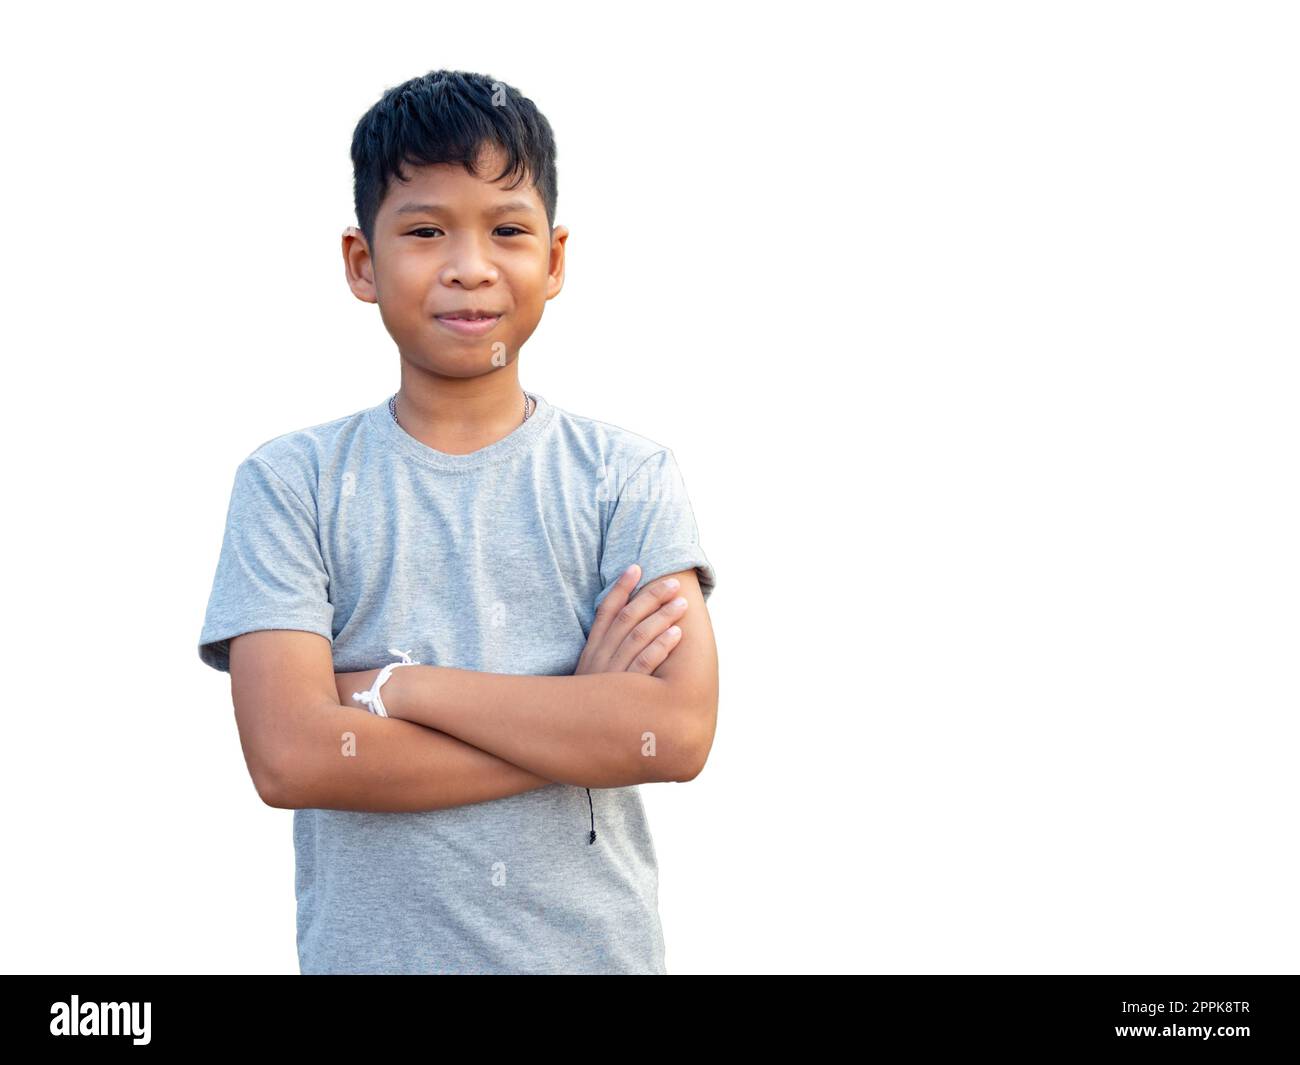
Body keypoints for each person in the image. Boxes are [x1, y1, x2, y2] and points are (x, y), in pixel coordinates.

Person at [197, 69, 719, 975]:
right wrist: (576, 726)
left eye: (507, 230)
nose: (469, 264)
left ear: (554, 261)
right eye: (427, 229)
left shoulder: (626, 479)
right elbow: (290, 757)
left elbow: (671, 735)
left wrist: (399, 688)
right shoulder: (292, 485)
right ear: (363, 262)